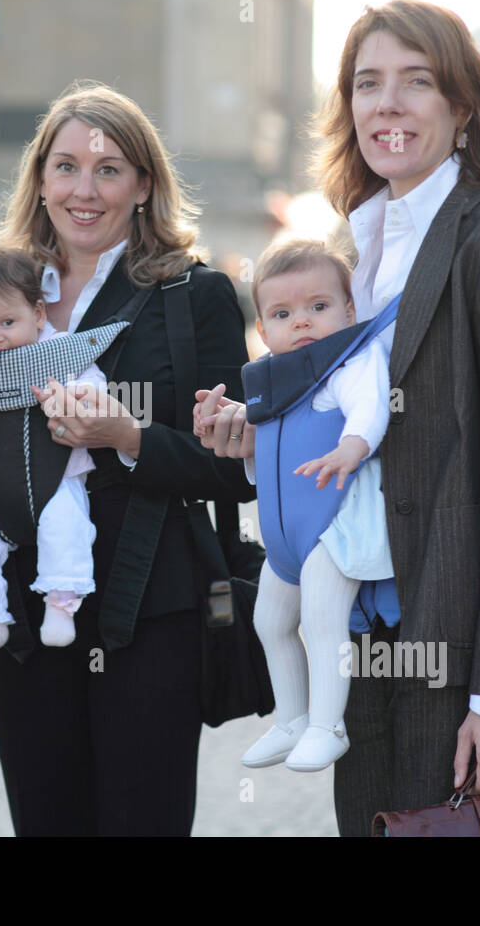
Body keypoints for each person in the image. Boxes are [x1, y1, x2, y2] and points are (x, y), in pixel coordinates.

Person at [196, 0, 480, 836]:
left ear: (463, 109)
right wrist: (256, 438)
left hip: (458, 643)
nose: (388, 103)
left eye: (417, 82)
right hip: (363, 629)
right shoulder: (358, 248)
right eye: (368, 83)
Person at [0, 81, 254, 835]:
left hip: (153, 610)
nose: (85, 188)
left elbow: (233, 470)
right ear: (39, 180)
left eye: (109, 169)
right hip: (28, 615)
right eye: (66, 166)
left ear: (143, 185)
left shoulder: (195, 296)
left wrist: (127, 439)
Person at [200, 239, 393, 773]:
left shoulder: (350, 362)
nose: (302, 322)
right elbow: (271, 445)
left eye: (319, 306)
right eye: (284, 313)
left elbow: (369, 406)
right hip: (285, 538)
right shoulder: (271, 379)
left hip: (335, 528)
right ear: (262, 329)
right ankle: (291, 718)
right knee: (269, 621)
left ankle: (328, 726)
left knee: (323, 618)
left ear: (350, 311)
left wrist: (352, 447)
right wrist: (228, 426)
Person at [0, 245, 108, 664]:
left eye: (7, 323)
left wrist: (79, 399)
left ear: (39, 314)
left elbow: (95, 386)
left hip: (58, 478)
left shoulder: (63, 352)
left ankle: (61, 605)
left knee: (66, 530)